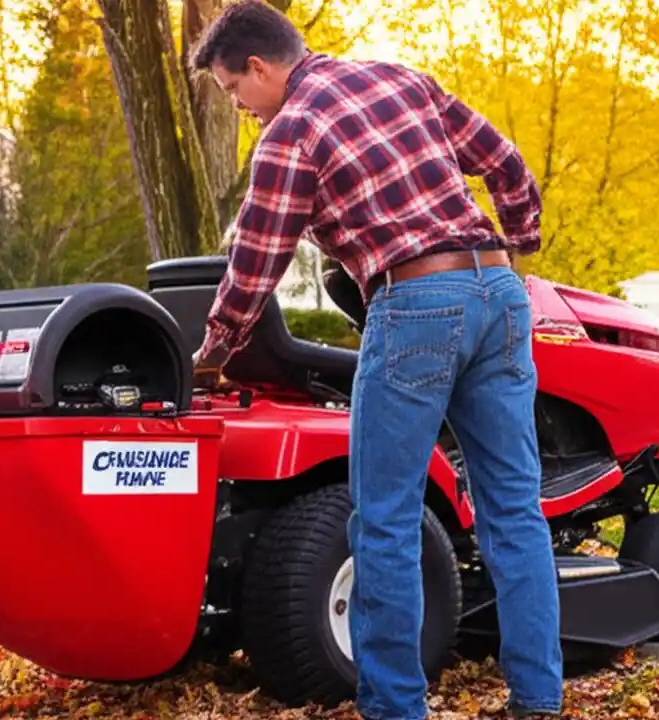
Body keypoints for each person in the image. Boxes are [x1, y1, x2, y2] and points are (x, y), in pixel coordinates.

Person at [186, 1, 563, 718]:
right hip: (500, 297)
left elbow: (254, 262)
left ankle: (394, 707)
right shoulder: (397, 78)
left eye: (235, 92)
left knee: (384, 518)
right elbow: (504, 161)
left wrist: (212, 354)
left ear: (261, 68)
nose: (241, 109)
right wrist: (517, 244)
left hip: (417, 302)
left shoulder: (289, 132)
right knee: (514, 509)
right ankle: (538, 701)